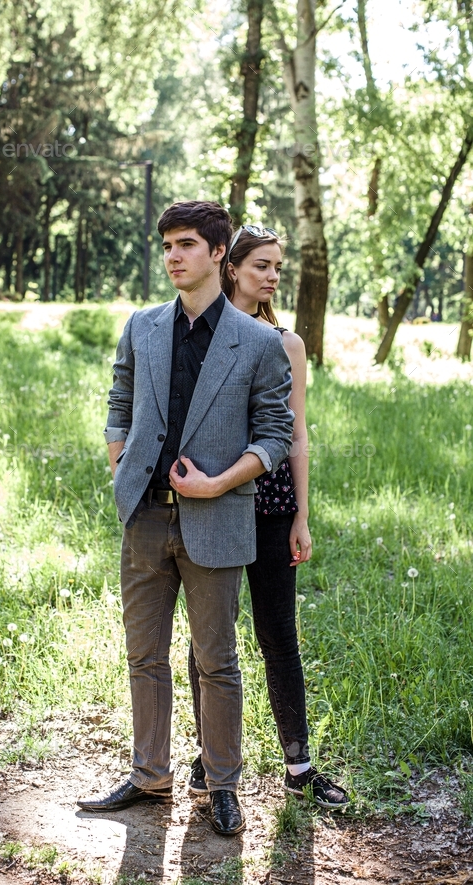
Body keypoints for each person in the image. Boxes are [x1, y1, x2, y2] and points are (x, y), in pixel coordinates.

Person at [77, 202, 295, 836]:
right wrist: (122, 464)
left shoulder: (258, 342)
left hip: (219, 519)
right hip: (143, 517)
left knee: (216, 661)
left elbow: (277, 433)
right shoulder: (142, 327)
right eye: (167, 244)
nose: (173, 255)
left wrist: (219, 484)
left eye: (187, 244)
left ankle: (222, 787)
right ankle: (150, 776)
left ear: (218, 254)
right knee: (144, 656)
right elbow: (120, 398)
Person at [187, 225, 349, 810]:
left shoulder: (287, 343)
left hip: (273, 504)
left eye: (277, 266)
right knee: (210, 638)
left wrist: (302, 513)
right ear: (230, 268)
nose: (272, 276)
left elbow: (297, 433)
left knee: (278, 635)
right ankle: (210, 758)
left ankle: (299, 768)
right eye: (260, 265)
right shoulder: (201, 336)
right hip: (214, 504)